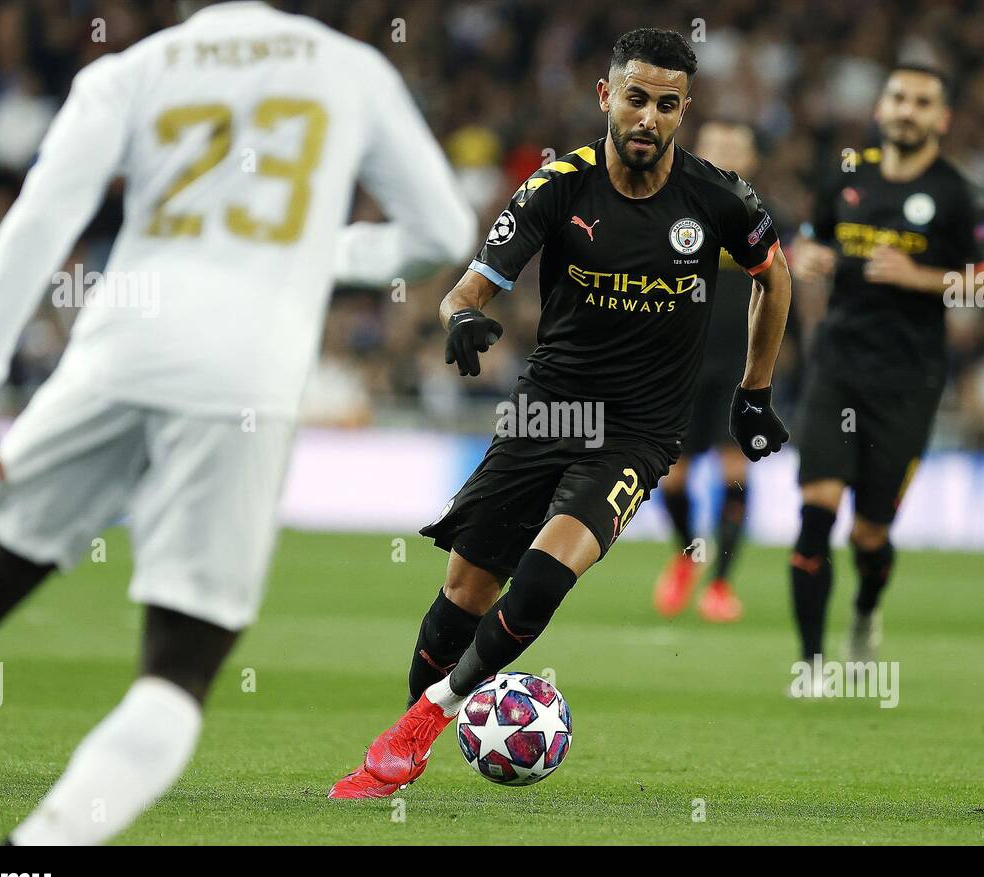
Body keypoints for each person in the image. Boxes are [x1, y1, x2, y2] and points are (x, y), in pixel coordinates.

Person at [0, 0, 474, 843]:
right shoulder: (350, 70)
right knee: (176, 673)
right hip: (240, 379)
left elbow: (39, 217)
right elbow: (442, 228)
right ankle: (25, 866)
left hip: (116, 353)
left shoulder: (130, 70)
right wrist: (322, 252)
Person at [330, 27, 791, 800]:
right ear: (606, 96)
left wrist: (754, 394)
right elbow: (468, 288)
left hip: (639, 433)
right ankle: (414, 722)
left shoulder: (716, 198)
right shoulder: (558, 187)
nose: (648, 117)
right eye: (636, 98)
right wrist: (460, 319)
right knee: (465, 597)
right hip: (549, 414)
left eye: (667, 104)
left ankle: (418, 728)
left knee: (543, 580)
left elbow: (774, 279)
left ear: (685, 110)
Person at [787, 64, 984, 679]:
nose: (907, 110)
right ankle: (810, 667)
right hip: (836, 367)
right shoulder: (846, 175)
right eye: (898, 97)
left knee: (868, 534)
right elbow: (808, 243)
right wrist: (805, 256)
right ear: (881, 108)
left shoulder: (959, 193)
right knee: (816, 509)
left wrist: (922, 277)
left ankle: (864, 609)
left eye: (922, 101)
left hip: (908, 383)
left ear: (941, 118)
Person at [652, 119, 764, 623]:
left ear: (752, 158)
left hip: (740, 368)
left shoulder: (765, 218)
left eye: (736, 145)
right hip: (678, 365)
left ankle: (720, 583)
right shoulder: (672, 209)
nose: (726, 152)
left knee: (733, 470)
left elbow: (783, 296)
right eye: (717, 144)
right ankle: (687, 552)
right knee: (672, 477)